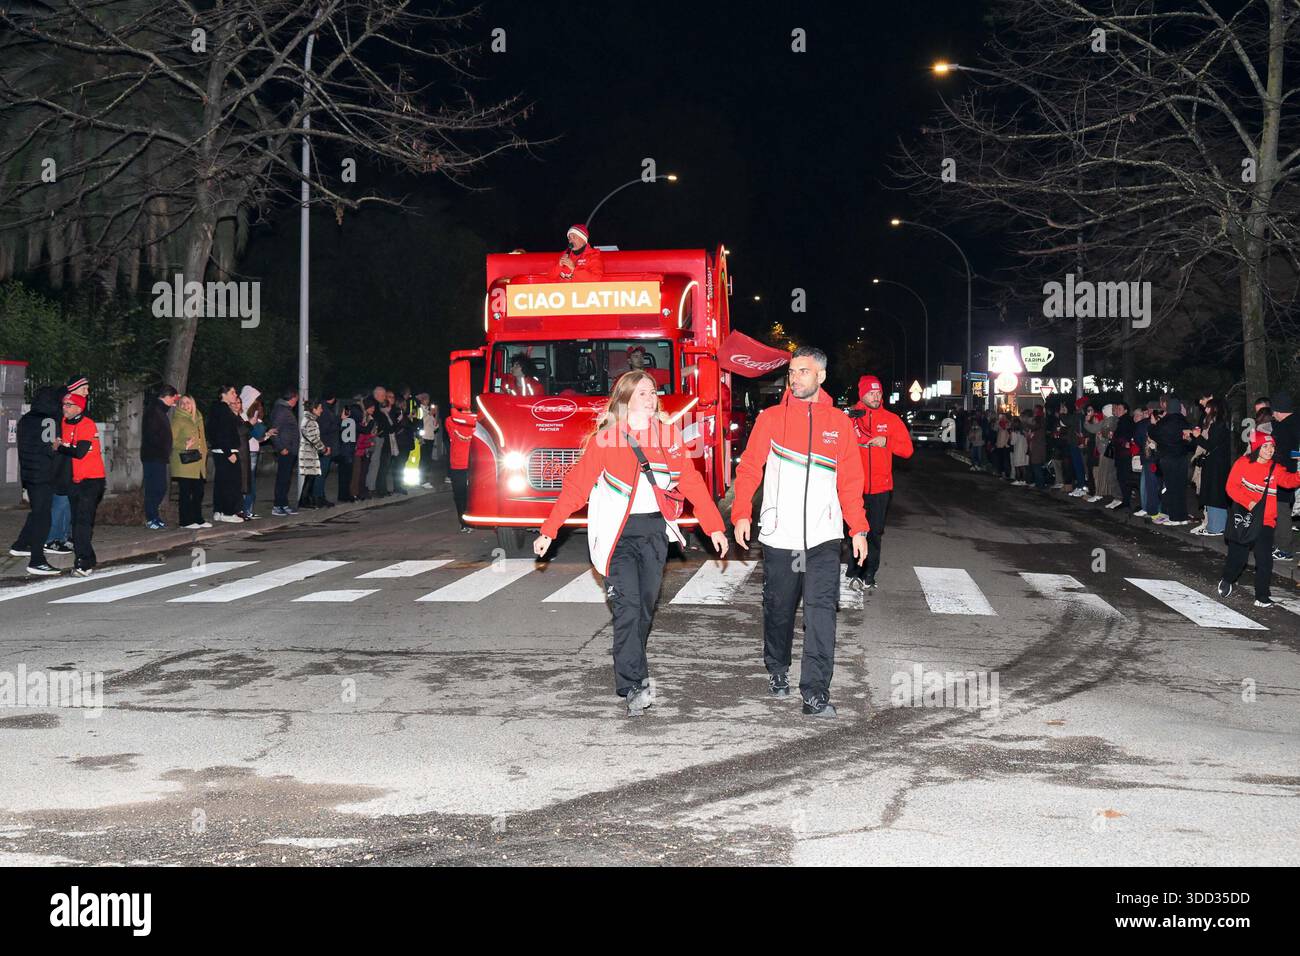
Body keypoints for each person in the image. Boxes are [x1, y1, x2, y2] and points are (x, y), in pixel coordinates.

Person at [533, 370, 728, 716]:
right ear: (624, 400)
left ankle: (629, 677)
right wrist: (549, 529)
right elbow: (577, 486)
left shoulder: (669, 436)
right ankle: (635, 684)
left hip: (654, 533)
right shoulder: (606, 440)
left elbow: (692, 482)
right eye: (642, 393)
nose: (650, 397)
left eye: (653, 392)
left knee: (644, 610)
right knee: (628, 609)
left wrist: (714, 526)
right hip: (616, 536)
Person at [731, 346, 870, 719]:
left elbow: (851, 482)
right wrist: (742, 512)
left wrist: (858, 528)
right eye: (792, 372)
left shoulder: (839, 423)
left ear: (821, 376)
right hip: (781, 537)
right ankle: (777, 667)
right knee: (779, 610)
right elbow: (749, 469)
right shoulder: (771, 419)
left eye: (804, 372)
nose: (795, 378)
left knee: (821, 613)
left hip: (824, 538)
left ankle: (815, 694)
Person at [1218, 426, 1300, 608]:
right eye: (1265, 447)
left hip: (1265, 521)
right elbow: (1231, 488)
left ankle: (1262, 596)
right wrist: (1249, 503)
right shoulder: (1243, 463)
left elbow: (1289, 481)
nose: (1269, 450)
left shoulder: (1275, 468)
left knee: (1265, 560)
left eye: (1271, 447)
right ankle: (1228, 578)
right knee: (1238, 558)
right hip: (1245, 519)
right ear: (1256, 448)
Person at [845, 374, 913, 589]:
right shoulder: (850, 418)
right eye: (870, 393)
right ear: (862, 394)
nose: (875, 397)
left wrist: (887, 441)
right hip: (853, 487)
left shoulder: (891, 419)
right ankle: (854, 569)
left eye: (878, 393)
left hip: (880, 487)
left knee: (874, 532)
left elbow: (908, 450)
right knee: (854, 531)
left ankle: (869, 572)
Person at [8, 385, 64, 575]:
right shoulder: (50, 420)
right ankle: (37, 560)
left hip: (29, 474)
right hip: (44, 473)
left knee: (38, 511)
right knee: (43, 516)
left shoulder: (26, 419)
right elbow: (50, 448)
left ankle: (21, 544)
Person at [58, 393, 106, 577]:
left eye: (69, 405)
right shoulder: (63, 422)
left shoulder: (87, 425)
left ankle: (83, 563)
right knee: (77, 521)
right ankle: (90, 557)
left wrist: (59, 447)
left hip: (92, 480)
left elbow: (79, 452)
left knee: (82, 523)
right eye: (64, 404)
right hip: (75, 480)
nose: (65, 407)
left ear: (79, 408)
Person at [1148, 396, 1194, 525]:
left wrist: (1152, 425)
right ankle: (1182, 515)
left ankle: (1174, 517)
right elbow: (1190, 442)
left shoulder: (1165, 422)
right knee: (1180, 487)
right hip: (1182, 458)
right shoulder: (1185, 422)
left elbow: (1154, 434)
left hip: (1168, 458)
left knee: (1171, 487)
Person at [141, 384, 178, 529]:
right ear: (166, 397)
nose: (173, 403)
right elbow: (152, 434)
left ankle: (154, 516)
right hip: (153, 455)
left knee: (160, 487)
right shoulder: (154, 411)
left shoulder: (159, 410)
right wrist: (162, 447)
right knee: (155, 488)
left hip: (158, 456)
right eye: (172, 399)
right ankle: (151, 518)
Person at [1191, 398, 1231, 536]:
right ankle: (1214, 525)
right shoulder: (1219, 424)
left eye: (1208, 408)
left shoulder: (1218, 425)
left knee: (1215, 494)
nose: (1205, 410)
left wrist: (1198, 437)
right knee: (1213, 493)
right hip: (1215, 464)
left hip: (1217, 465)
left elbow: (1210, 445)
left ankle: (1216, 527)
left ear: (1214, 409)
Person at [171, 395, 210, 529]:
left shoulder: (198, 418)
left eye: (188, 403)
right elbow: (171, 440)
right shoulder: (178, 420)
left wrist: (205, 453)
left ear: (193, 404)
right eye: (182, 403)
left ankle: (198, 519)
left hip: (198, 462)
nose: (185, 405)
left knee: (198, 492)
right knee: (186, 492)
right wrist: (184, 444)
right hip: (185, 462)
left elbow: (202, 439)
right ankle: (185, 521)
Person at [207, 386, 245, 523]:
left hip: (219, 451)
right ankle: (228, 512)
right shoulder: (223, 409)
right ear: (224, 394)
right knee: (231, 483)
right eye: (233, 392)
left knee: (221, 483)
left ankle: (219, 510)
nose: (235, 395)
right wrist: (229, 452)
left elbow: (213, 431)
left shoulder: (216, 409)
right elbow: (222, 433)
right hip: (227, 451)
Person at [1267, 391, 1297, 563]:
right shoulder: (1291, 424)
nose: (1272, 415)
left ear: (1278, 410)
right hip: (1288, 472)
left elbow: (1288, 452)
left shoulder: (1286, 427)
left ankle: (1285, 549)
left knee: (1282, 510)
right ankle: (1279, 544)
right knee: (1279, 508)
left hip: (1284, 473)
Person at [239, 386, 273, 519]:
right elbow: (248, 433)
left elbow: (257, 437)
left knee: (251, 483)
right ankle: (245, 510)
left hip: (253, 450)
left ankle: (248, 509)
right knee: (247, 483)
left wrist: (267, 435)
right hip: (246, 452)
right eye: (256, 399)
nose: (259, 402)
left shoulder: (251, 413)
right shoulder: (243, 415)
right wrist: (255, 423)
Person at [269, 388, 300, 516]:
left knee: (286, 479)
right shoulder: (282, 411)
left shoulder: (284, 410)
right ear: (292, 398)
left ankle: (283, 504)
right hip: (286, 450)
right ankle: (278, 505)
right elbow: (274, 432)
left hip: (289, 449)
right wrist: (281, 448)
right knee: (282, 479)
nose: (297, 402)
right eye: (296, 399)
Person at [447, 405, 477, 531]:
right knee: (460, 494)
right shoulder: (450, 420)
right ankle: (464, 522)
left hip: (474, 463)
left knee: (471, 495)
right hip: (458, 464)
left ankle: (470, 520)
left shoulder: (476, 421)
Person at [298, 397, 330, 507]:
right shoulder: (311, 422)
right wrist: (324, 449)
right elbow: (314, 438)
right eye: (320, 408)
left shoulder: (310, 420)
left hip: (309, 452)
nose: (321, 410)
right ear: (314, 409)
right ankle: (304, 500)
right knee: (310, 478)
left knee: (310, 477)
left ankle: (305, 500)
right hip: (309, 453)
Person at [313, 391, 340, 508]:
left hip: (325, 445)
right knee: (321, 473)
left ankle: (320, 496)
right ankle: (318, 497)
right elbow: (325, 429)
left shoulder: (325, 409)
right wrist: (339, 421)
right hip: (324, 446)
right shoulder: (325, 410)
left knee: (322, 473)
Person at [417, 393, 441, 488]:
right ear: (422, 400)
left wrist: (436, 416)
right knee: (424, 460)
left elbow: (435, 426)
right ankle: (423, 480)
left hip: (430, 437)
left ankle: (425, 479)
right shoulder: (420, 410)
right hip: (424, 437)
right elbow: (419, 422)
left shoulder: (428, 410)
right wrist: (429, 414)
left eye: (428, 399)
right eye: (426, 399)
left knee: (427, 459)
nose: (427, 401)